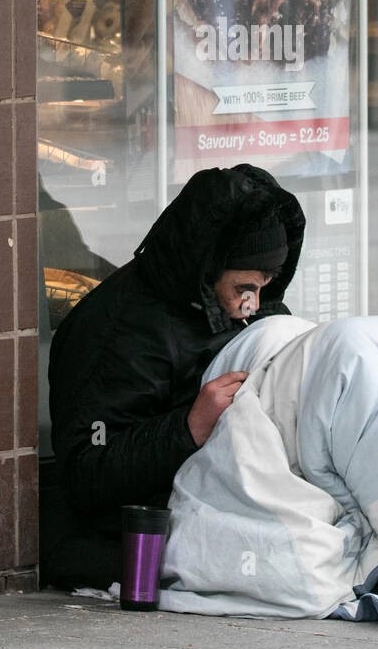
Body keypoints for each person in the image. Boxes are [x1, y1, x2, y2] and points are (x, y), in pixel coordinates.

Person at [42, 163, 305, 589]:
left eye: (266, 285)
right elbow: (87, 475)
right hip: (134, 534)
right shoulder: (116, 333)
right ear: (207, 269)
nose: (253, 304)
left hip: (229, 499)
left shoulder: (244, 307)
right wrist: (190, 426)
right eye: (243, 288)